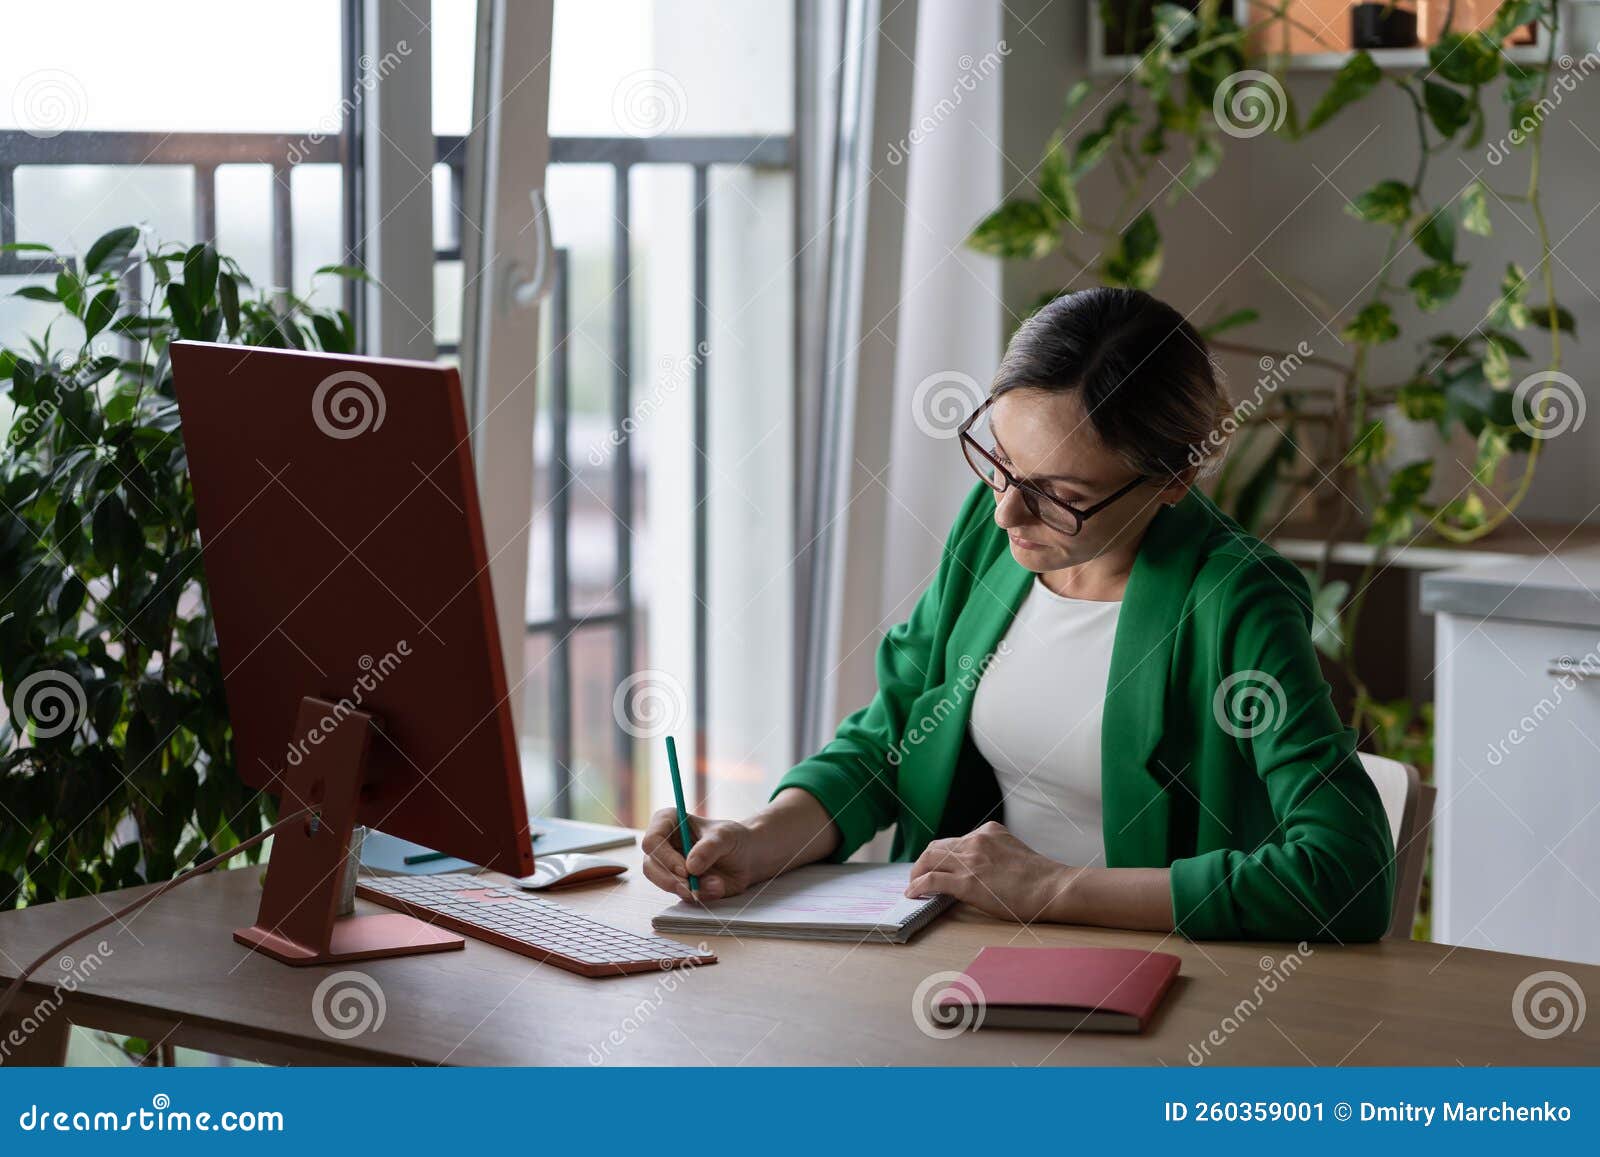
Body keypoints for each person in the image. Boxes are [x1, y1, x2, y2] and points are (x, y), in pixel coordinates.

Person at [642, 286, 1395, 941]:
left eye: (1060, 493)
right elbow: (890, 741)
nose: (1006, 511)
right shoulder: (992, 532)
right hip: (966, 954)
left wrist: (1051, 888)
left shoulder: (1236, 600)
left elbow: (1345, 872)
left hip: (1159, 986)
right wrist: (756, 837)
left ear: (1174, 479)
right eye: (1001, 460)